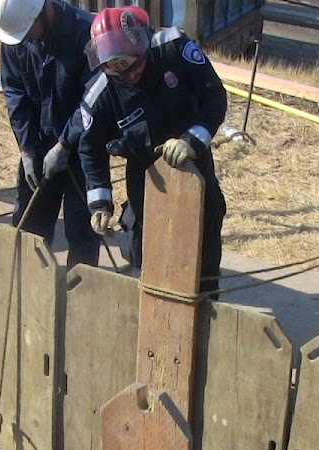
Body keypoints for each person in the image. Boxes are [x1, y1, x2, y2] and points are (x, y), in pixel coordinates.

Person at [78, 7, 228, 295]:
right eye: (120, 68)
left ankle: (208, 307)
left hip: (194, 165)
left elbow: (214, 95)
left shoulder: (175, 49)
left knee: (205, 244)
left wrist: (192, 141)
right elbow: (90, 146)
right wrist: (100, 202)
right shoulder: (102, 94)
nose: (131, 74)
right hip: (145, 176)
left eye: (135, 65)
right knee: (147, 251)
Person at [0, 0, 99, 268]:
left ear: (43, 13)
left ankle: (78, 304)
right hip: (39, 146)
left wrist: (65, 143)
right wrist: (27, 149)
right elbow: (15, 93)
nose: (26, 39)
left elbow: (95, 97)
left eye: (28, 33)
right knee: (29, 231)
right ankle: (28, 301)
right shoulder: (16, 37)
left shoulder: (86, 34)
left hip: (83, 151)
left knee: (81, 233)